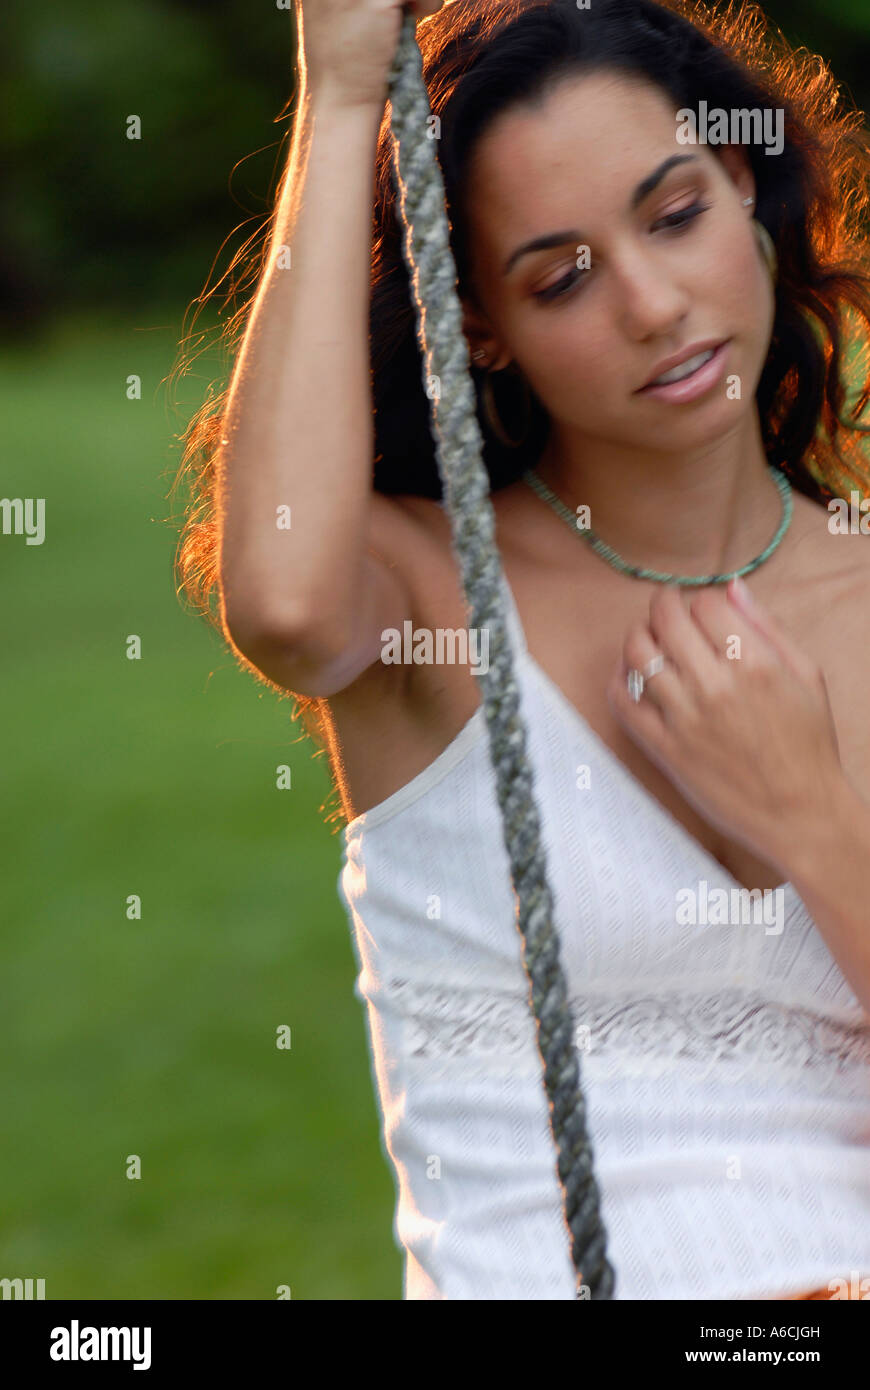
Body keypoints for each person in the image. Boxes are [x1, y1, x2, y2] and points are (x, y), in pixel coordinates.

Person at [173, 0, 870, 1298]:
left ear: (741, 182)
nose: (654, 305)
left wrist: (810, 814)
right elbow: (282, 600)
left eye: (675, 214)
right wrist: (339, 98)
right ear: (479, 324)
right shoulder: (429, 595)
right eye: (561, 277)